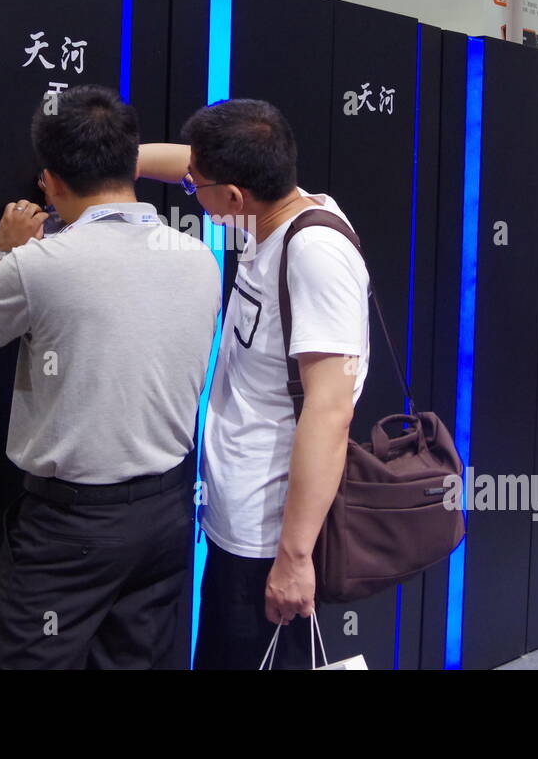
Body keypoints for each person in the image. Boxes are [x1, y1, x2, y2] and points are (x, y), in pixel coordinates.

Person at [0, 85, 221, 669]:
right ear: (132, 162)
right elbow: (190, 162)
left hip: (72, 525)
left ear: (51, 180)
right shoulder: (200, 257)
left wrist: (2, 252)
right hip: (167, 512)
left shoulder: (38, 266)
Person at [137, 99, 369, 670]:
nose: (195, 197)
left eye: (199, 190)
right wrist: (108, 162)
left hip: (268, 535)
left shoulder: (314, 253)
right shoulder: (276, 214)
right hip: (238, 516)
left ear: (234, 196)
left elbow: (331, 408)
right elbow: (191, 164)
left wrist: (293, 557)